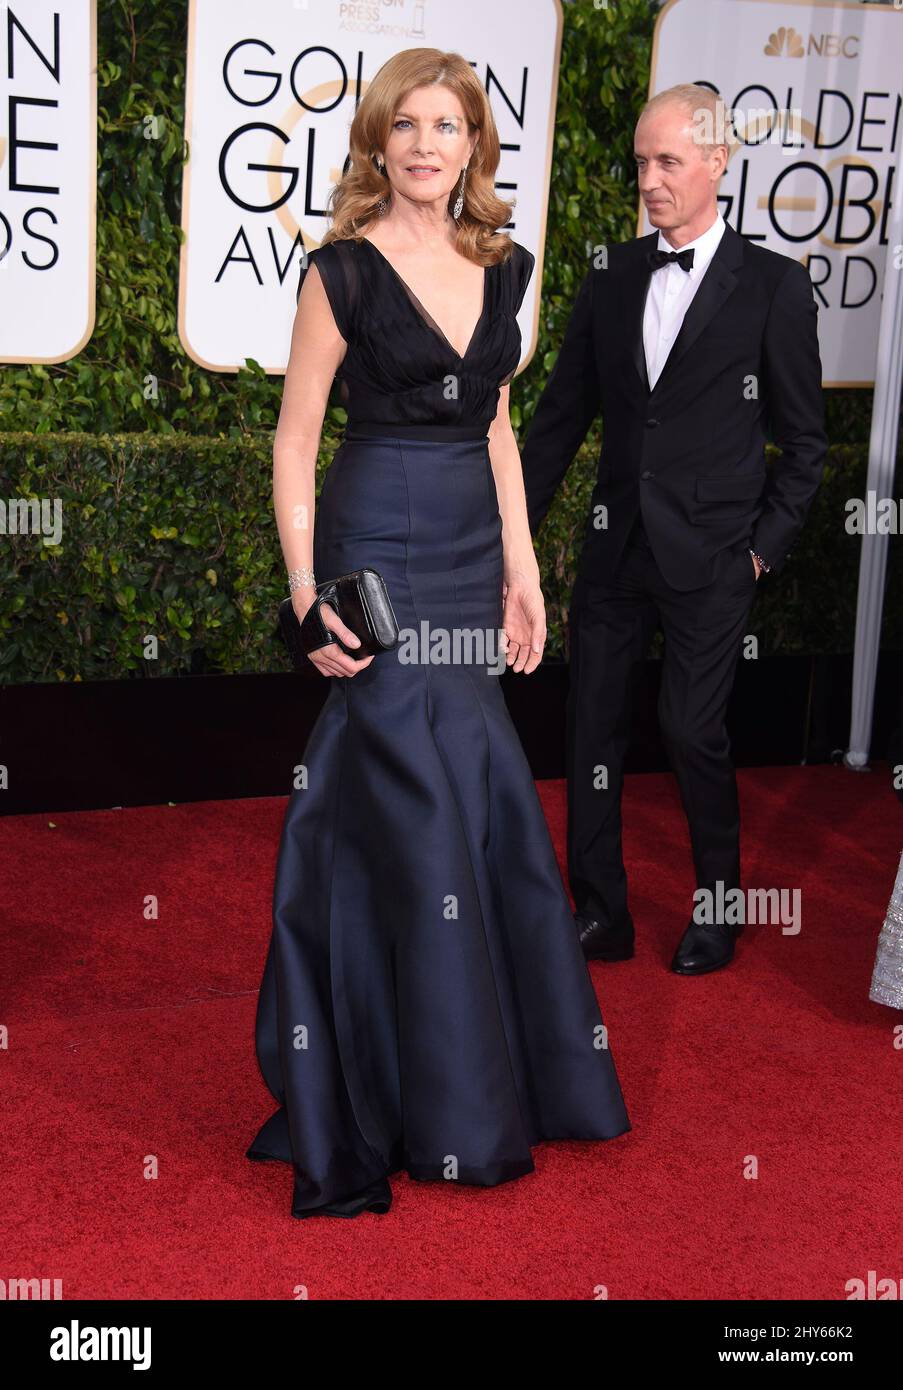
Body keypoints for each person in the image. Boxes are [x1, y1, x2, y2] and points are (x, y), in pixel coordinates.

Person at [246, 48, 629, 1219]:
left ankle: (482, 1068)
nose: (425, 145)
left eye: (447, 124)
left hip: (471, 548)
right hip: (375, 539)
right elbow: (295, 440)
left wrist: (525, 572)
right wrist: (309, 595)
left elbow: (503, 429)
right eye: (404, 125)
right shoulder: (343, 274)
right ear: (378, 142)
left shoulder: (504, 266)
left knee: (477, 775)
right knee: (403, 774)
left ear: (475, 145)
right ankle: (406, 1087)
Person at [520, 84, 828, 976]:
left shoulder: (772, 285)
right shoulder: (612, 273)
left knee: (692, 730)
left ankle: (717, 909)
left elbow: (804, 444)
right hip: (617, 547)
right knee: (591, 729)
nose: (648, 181)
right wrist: (513, 538)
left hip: (714, 556)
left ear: (717, 163)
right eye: (640, 164)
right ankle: (600, 912)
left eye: (666, 162)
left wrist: (761, 549)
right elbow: (559, 420)